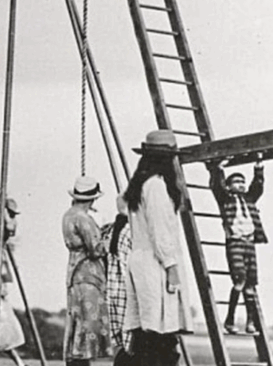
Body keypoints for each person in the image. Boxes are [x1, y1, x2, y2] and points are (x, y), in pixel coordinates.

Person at [122, 130, 192, 366]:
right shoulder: (156, 186)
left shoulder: (139, 186)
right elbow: (160, 231)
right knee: (159, 329)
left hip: (141, 260)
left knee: (147, 327)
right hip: (155, 261)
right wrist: (171, 266)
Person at [208, 157, 267, 335]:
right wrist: (218, 169)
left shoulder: (249, 199)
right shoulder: (225, 199)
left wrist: (258, 167)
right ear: (228, 185)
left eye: (242, 181)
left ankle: (250, 322)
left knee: (250, 284)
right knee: (239, 280)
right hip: (235, 242)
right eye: (236, 182)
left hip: (249, 243)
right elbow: (216, 186)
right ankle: (230, 320)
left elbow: (257, 187)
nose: (241, 184)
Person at [62, 176, 110, 366]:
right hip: (88, 274)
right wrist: (108, 239)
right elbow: (96, 250)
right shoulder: (83, 218)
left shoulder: (68, 215)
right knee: (89, 324)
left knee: (78, 321)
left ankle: (76, 360)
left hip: (75, 273)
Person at [101, 194, 133, 366]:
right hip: (128, 289)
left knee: (126, 343)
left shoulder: (113, 230)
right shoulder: (131, 231)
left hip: (115, 289)